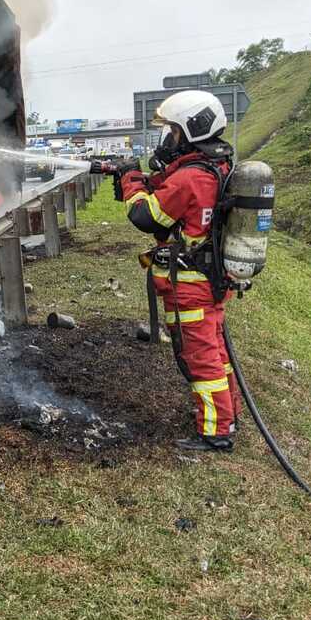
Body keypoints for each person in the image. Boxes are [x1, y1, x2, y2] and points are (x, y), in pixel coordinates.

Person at [98, 91, 241, 452]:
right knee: (216, 355)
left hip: (190, 286)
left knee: (201, 358)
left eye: (173, 131)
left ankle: (215, 431)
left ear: (192, 130)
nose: (169, 140)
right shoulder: (210, 167)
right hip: (208, 280)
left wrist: (131, 179)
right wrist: (142, 179)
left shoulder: (191, 177)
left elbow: (147, 216)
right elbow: (172, 196)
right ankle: (228, 414)